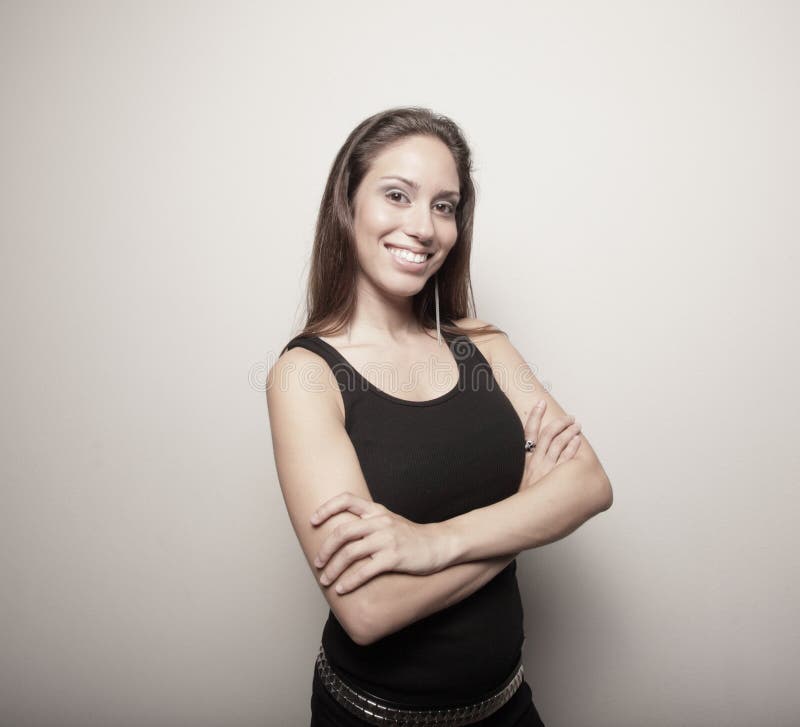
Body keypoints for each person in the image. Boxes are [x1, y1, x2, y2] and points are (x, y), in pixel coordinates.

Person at [266, 106, 613, 726]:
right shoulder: (306, 375)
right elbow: (368, 610)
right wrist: (529, 513)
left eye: (444, 205)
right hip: (375, 718)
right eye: (397, 195)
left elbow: (589, 484)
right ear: (348, 204)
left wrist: (432, 543)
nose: (422, 227)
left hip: (508, 708)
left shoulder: (483, 344)